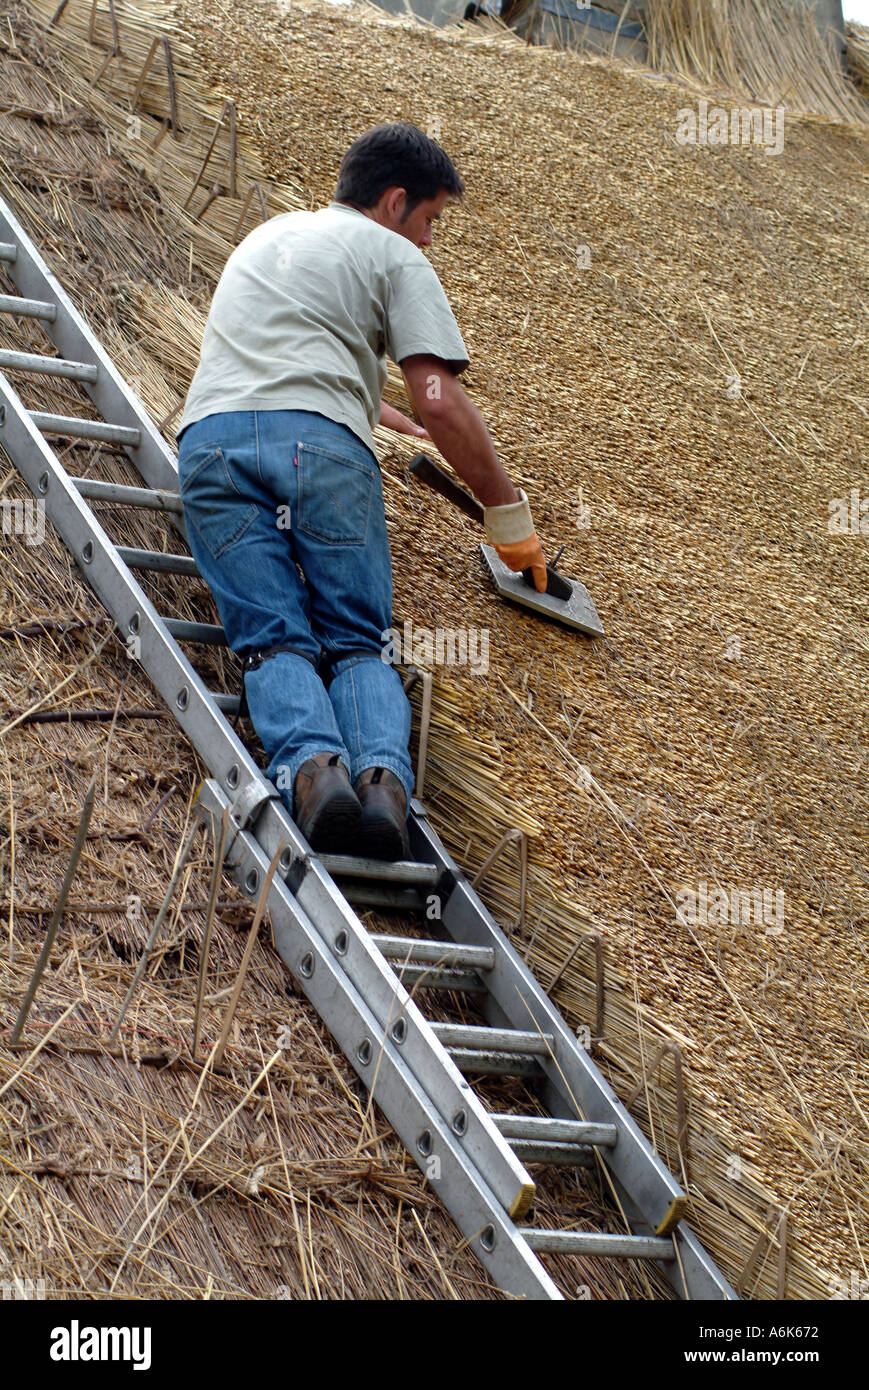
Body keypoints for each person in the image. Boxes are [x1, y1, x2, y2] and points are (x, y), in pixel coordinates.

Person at [176, 122, 548, 861]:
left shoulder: (269, 236)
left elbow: (282, 360)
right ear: (395, 201)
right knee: (355, 644)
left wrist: (375, 410)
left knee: (272, 638)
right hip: (320, 455)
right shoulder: (391, 254)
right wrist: (510, 518)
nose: (430, 241)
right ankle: (380, 787)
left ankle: (314, 772)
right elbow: (439, 399)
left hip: (212, 443)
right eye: (432, 220)